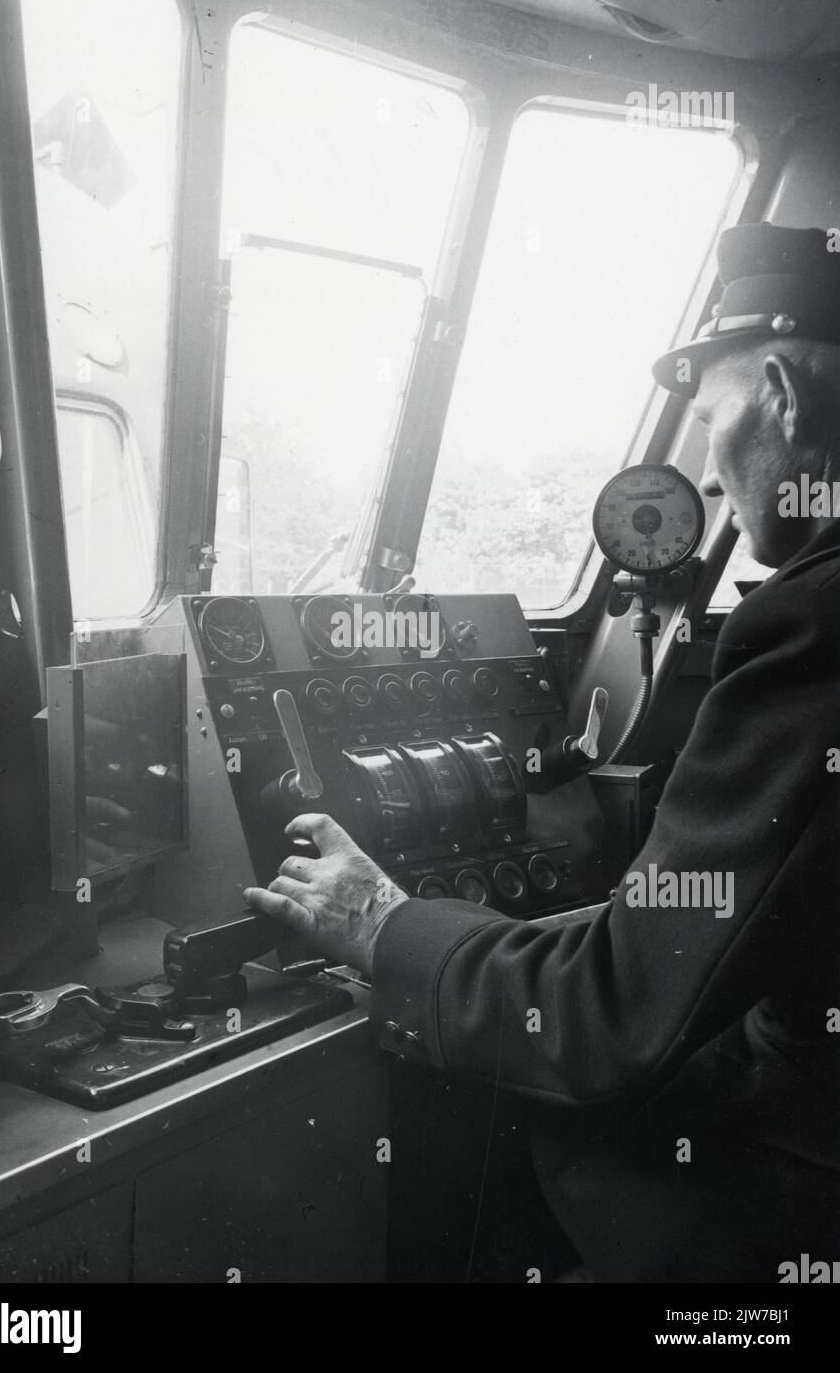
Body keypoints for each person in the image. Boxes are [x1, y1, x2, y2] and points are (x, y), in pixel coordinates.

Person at [244, 222, 840, 1283]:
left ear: (784, 398)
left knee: (522, 1131)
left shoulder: (811, 625)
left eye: (708, 418)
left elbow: (615, 1011)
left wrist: (380, 924)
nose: (705, 470)